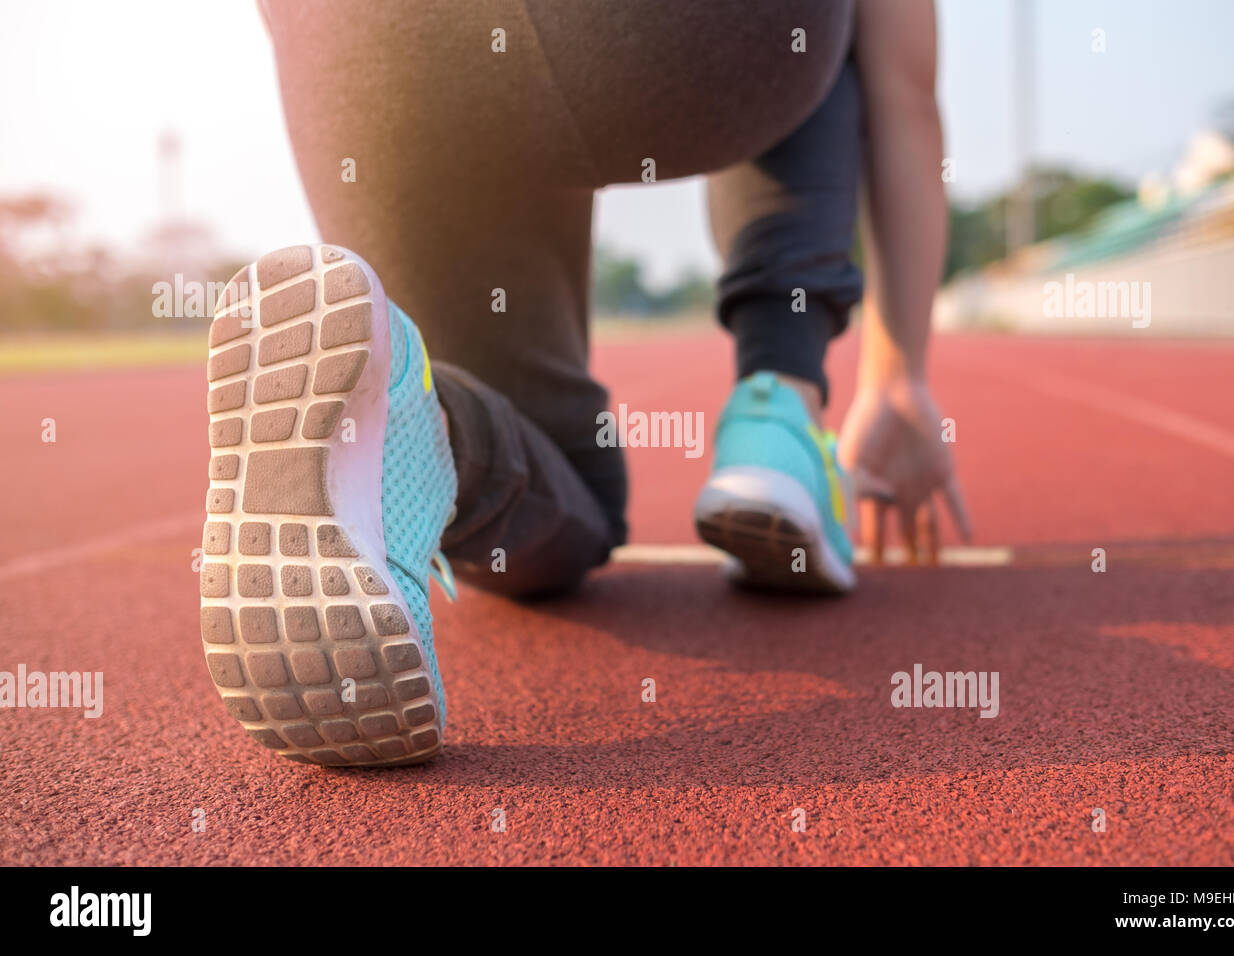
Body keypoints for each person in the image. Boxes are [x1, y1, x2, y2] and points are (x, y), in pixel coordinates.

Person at [198, 0, 969, 766]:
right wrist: (901, 377)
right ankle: (778, 412)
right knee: (835, 29)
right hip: (700, 37)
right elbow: (907, 91)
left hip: (376, 46)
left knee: (542, 481)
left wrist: (346, 69)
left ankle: (416, 430)